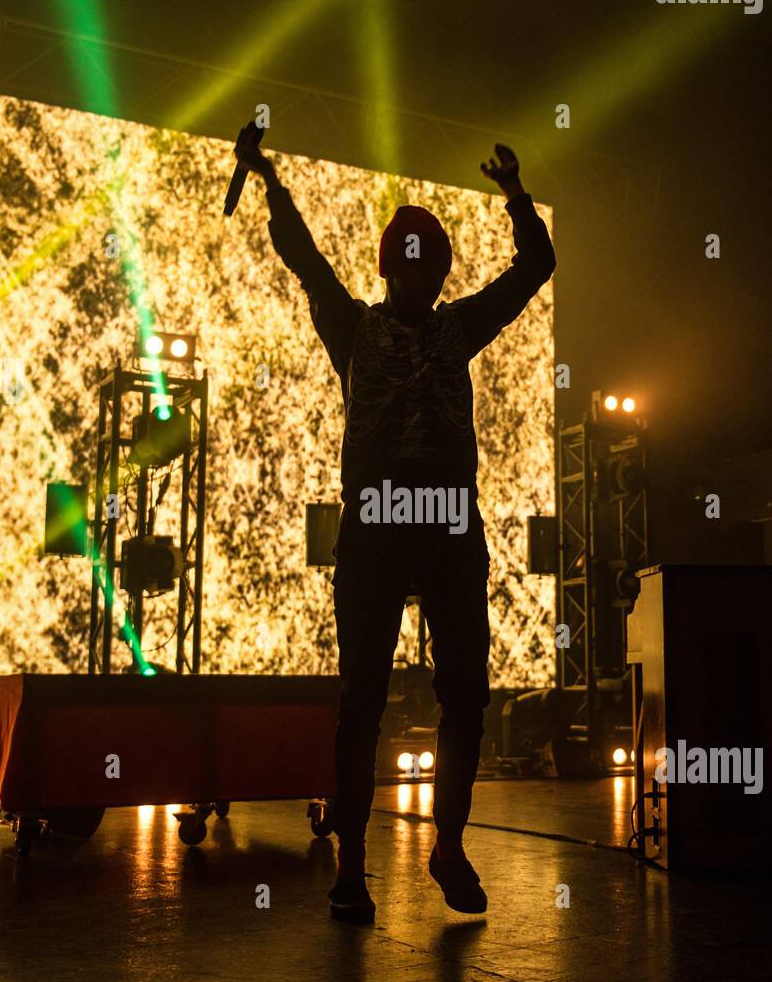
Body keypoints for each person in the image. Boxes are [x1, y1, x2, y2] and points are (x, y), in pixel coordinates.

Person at [235, 127, 555, 923]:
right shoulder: (355, 329)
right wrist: (271, 181)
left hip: (443, 530)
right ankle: (353, 863)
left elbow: (535, 269)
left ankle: (446, 845)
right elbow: (303, 256)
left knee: (466, 697)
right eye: (409, 266)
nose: (418, 278)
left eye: (429, 267)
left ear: (438, 273)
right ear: (392, 268)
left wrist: (517, 197)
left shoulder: (456, 328)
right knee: (362, 701)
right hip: (382, 530)